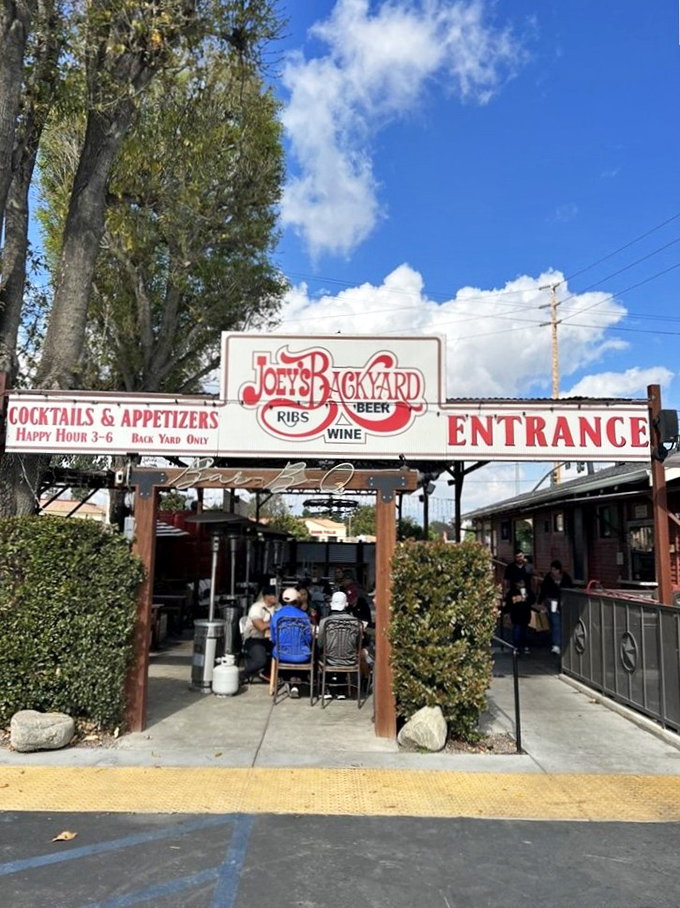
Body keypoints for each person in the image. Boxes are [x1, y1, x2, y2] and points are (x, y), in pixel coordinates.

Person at [317, 591, 367, 699]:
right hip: (350, 659)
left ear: (331, 604)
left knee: (321, 654)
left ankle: (328, 687)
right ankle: (341, 690)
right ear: (346, 604)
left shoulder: (324, 622)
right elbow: (358, 644)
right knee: (342, 651)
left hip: (330, 659)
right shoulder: (356, 622)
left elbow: (320, 644)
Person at [269, 586, 313, 699]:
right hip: (302, 655)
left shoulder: (277, 616)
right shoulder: (304, 616)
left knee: (278, 651)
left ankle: (288, 680)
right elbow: (308, 640)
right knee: (306, 652)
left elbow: (274, 639)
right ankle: (297, 681)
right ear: (297, 600)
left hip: (282, 654)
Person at [240, 584, 277, 684]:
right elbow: (260, 626)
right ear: (266, 596)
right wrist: (275, 623)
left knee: (285, 651)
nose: (276, 597)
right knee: (260, 661)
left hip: (270, 638)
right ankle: (241, 676)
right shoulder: (256, 608)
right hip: (254, 638)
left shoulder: (277, 607)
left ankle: (267, 673)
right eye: (273, 595)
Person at [539, 559, 573, 654]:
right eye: (552, 569)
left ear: (559, 570)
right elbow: (543, 590)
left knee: (563, 623)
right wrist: (541, 602)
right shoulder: (548, 578)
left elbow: (569, 589)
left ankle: (563, 642)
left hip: (563, 602)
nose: (552, 572)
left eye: (554, 570)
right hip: (552, 602)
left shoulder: (565, 578)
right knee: (556, 622)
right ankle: (556, 644)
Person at [503, 578, 534, 654]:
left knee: (525, 631)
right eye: (520, 583)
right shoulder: (512, 592)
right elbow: (508, 602)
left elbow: (532, 599)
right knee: (517, 630)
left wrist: (526, 598)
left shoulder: (528, 591)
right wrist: (506, 611)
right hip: (516, 614)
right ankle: (516, 646)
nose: (522, 585)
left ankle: (524, 645)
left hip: (525, 614)